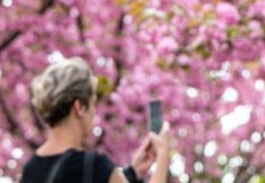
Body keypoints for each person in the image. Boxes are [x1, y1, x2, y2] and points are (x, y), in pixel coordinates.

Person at [21, 58, 173, 183]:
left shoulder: (30, 170)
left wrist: (133, 172)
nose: (94, 112)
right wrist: (162, 157)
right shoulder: (93, 166)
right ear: (79, 107)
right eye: (93, 103)